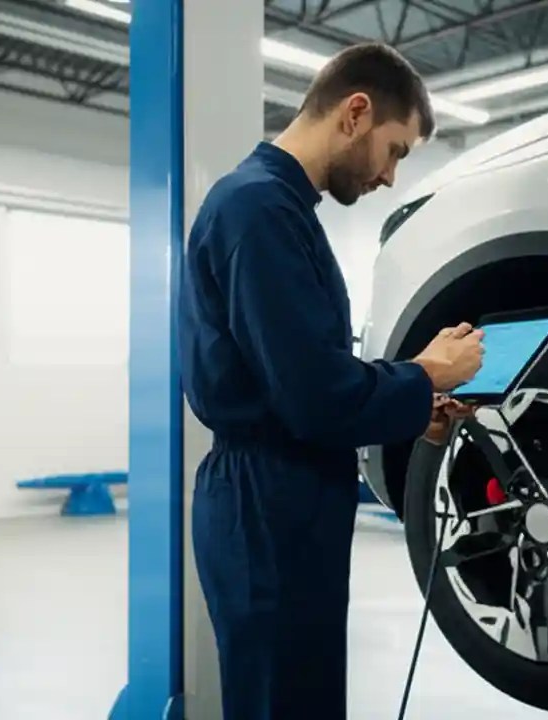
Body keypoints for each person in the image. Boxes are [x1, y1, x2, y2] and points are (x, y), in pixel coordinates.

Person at [179, 41, 484, 719]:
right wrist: (424, 370)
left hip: (291, 489)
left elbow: (312, 370)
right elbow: (312, 396)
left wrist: (412, 402)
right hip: (266, 496)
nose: (389, 178)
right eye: (397, 150)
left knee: (304, 694)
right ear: (355, 112)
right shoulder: (258, 212)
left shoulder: (282, 211)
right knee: (279, 701)